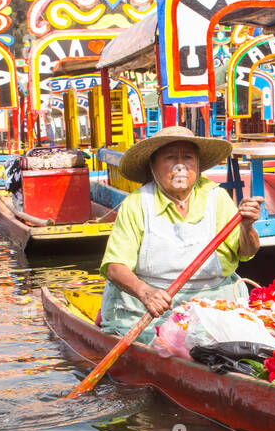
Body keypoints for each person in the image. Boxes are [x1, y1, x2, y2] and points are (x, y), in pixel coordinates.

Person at [98, 125, 262, 341]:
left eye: (187, 158)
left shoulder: (217, 197)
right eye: (169, 158)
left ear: (198, 166)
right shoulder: (137, 204)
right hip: (150, 310)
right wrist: (146, 293)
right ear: (153, 166)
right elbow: (114, 267)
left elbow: (246, 251)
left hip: (215, 304)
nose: (180, 166)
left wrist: (247, 226)